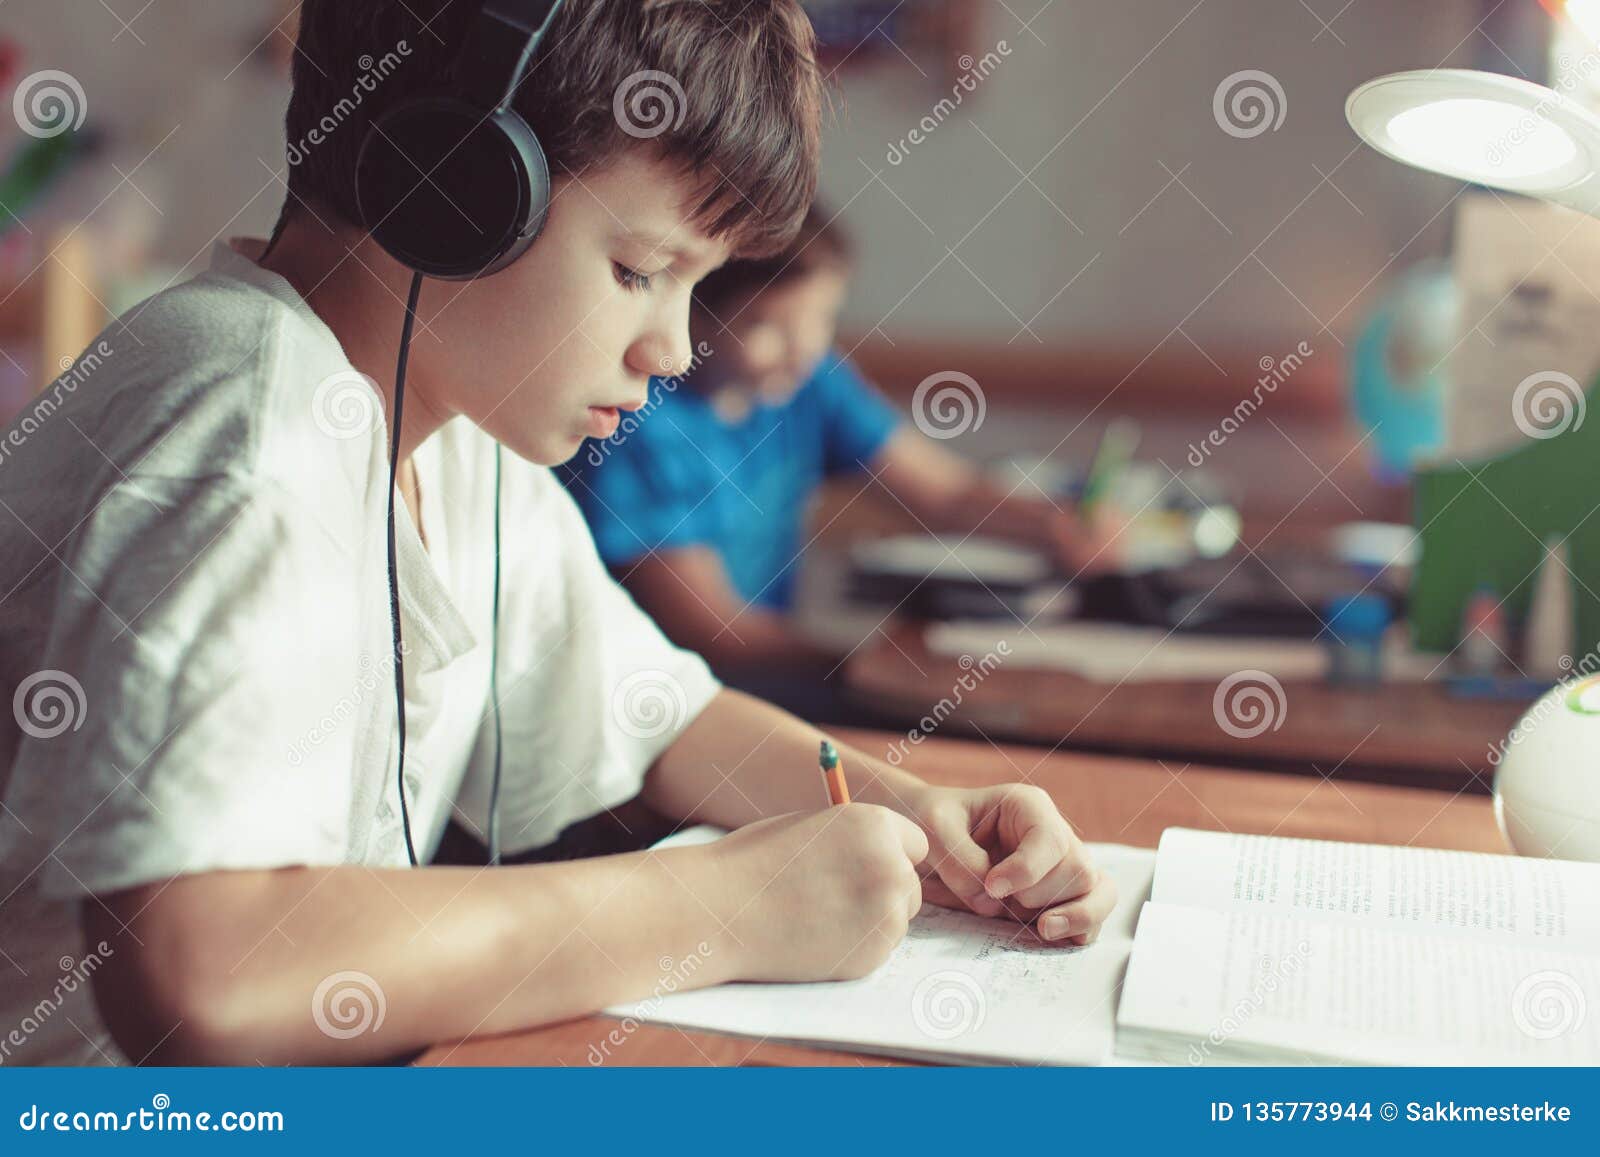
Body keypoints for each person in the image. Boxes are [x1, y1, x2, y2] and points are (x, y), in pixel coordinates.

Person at [0, 0, 1115, 1066]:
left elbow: (661, 718)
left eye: (696, 285)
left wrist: (922, 820)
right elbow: (208, 974)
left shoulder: (460, 440)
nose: (673, 349)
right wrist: (721, 906)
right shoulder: (247, 419)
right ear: (457, 187)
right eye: (638, 270)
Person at [563, 208, 1124, 689]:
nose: (803, 349)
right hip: (677, 696)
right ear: (693, 310)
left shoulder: (810, 382)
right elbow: (714, 632)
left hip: (770, 680)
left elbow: (945, 493)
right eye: (767, 326)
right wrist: (877, 670)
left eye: (821, 320)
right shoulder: (641, 430)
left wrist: (1054, 527)